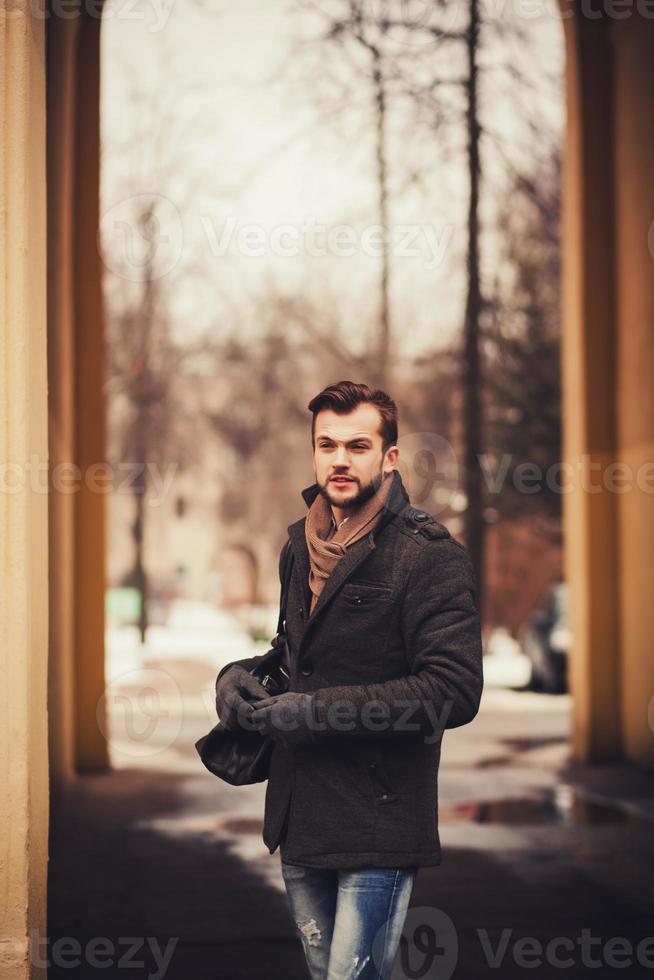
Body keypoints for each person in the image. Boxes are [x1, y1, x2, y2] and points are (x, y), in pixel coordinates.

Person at [215, 380, 484, 980]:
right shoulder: (298, 547)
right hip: (298, 813)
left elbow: (453, 691)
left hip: (378, 820)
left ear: (389, 458)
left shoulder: (428, 555)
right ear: (313, 453)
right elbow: (295, 656)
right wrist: (237, 679)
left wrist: (312, 712)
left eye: (358, 445)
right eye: (327, 445)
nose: (340, 460)